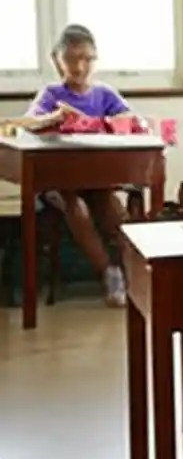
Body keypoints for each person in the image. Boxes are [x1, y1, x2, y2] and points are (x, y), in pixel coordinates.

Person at [26, 24, 133, 306]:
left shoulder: (104, 94)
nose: (80, 66)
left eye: (87, 58)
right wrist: (54, 118)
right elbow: (30, 124)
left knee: (113, 208)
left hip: (97, 179)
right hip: (58, 182)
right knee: (77, 209)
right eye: (72, 58)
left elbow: (129, 121)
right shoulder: (50, 95)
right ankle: (108, 273)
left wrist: (117, 124)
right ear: (57, 60)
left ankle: (132, 271)